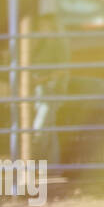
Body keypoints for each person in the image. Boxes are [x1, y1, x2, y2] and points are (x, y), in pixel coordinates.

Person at [30, 16, 69, 163]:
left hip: (53, 89)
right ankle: (52, 165)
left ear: (52, 27)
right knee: (49, 127)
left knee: (40, 128)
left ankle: (36, 160)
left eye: (43, 26)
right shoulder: (41, 44)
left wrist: (41, 79)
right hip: (40, 89)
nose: (40, 29)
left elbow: (62, 70)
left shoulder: (60, 45)